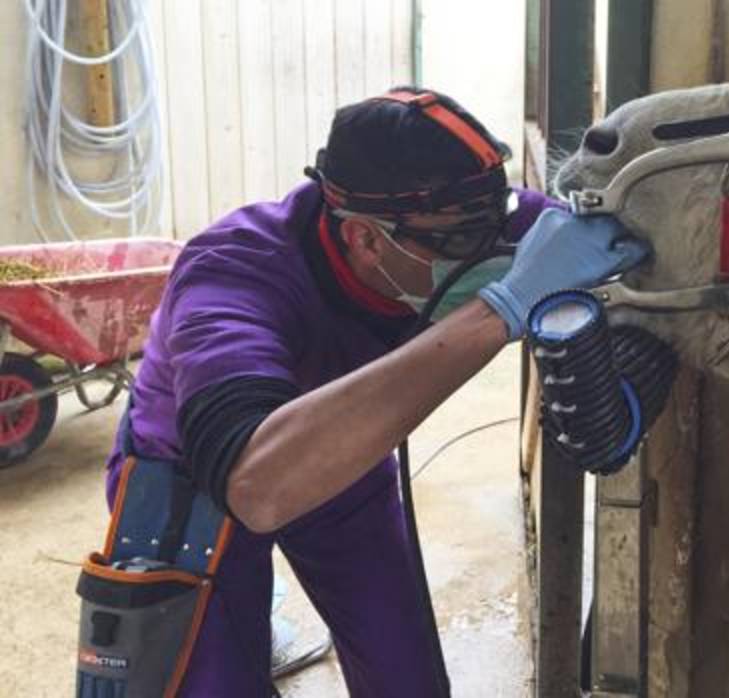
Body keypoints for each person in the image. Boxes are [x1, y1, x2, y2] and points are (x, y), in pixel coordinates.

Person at [79, 87, 647, 697]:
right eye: (460, 242)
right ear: (365, 239)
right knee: (205, 683)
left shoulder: (477, 224)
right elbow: (258, 485)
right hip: (191, 482)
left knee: (408, 677)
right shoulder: (232, 276)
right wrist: (498, 310)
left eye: (496, 226)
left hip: (345, 460)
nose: (490, 252)